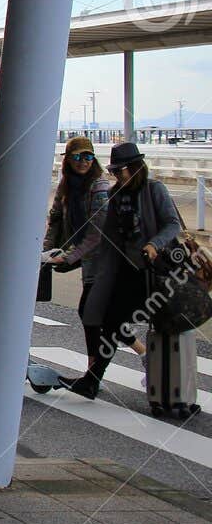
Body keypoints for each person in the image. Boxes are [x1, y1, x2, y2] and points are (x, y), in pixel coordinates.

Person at [63, 142, 181, 399]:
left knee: (151, 325)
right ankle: (93, 380)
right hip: (128, 271)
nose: (117, 175)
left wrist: (154, 244)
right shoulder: (116, 195)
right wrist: (93, 269)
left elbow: (173, 225)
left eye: (121, 170)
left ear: (136, 167)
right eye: (114, 171)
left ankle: (165, 383)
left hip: (156, 271)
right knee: (109, 321)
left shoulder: (154, 189)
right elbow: (110, 238)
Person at [41, 136, 111, 383]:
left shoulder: (99, 186)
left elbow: (98, 232)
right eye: (78, 156)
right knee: (99, 315)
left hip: (105, 258)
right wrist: (46, 252)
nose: (83, 161)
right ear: (68, 160)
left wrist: (69, 256)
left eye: (88, 156)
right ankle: (93, 376)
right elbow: (55, 218)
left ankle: (93, 376)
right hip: (87, 256)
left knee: (91, 312)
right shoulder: (67, 185)